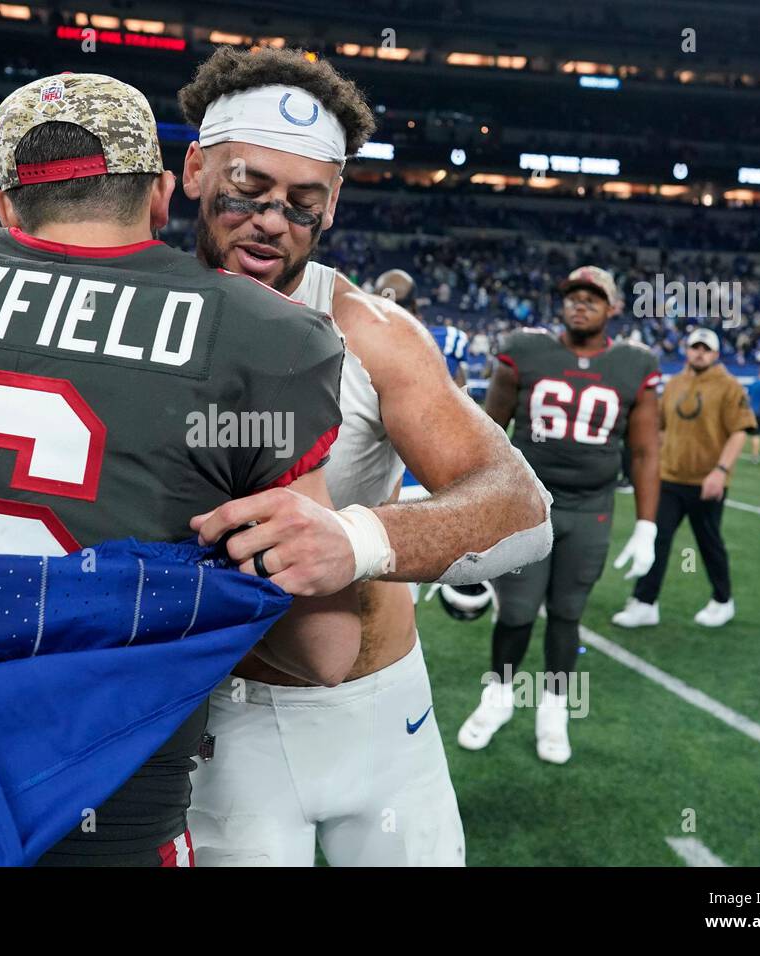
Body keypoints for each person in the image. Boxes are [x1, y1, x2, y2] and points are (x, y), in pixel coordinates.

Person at [0, 72, 361, 866]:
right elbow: (325, 648)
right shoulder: (269, 335)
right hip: (104, 804)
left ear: (4, 203)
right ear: (164, 194)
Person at [176, 46, 552, 866]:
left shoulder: (373, 333)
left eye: (302, 200)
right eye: (248, 188)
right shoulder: (139, 314)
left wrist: (358, 540)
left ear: (334, 203)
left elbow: (520, 507)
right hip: (216, 717)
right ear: (195, 169)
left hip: (384, 714)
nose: (272, 219)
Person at [458, 265, 661, 764]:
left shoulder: (634, 364)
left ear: (613, 308)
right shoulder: (526, 351)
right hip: (529, 506)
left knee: (568, 614)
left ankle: (553, 708)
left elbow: (644, 453)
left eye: (594, 296)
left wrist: (648, 525)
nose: (581, 302)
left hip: (591, 509)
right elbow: (489, 435)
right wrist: (468, 511)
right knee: (518, 611)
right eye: (573, 294)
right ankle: (499, 696)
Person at [611, 328, 755, 629]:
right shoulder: (674, 384)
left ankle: (723, 600)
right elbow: (660, 428)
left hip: (707, 481)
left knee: (709, 542)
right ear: (686, 350)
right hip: (669, 478)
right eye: (695, 347)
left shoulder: (730, 387)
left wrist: (721, 471)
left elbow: (740, 431)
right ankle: (645, 602)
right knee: (656, 539)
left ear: (715, 354)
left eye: (706, 348)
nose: (699, 352)